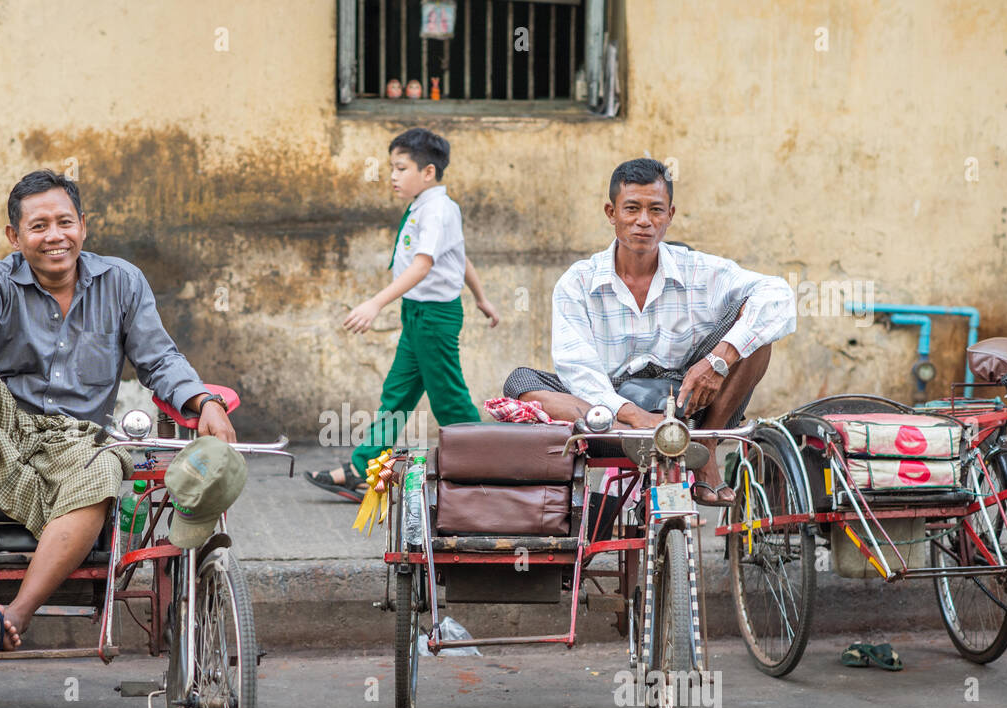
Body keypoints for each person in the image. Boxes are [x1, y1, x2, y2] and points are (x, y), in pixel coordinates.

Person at [0, 169, 235, 650]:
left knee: (108, 467)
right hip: (1, 434)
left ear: (83, 226)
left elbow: (160, 358)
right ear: (15, 236)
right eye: (38, 226)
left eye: (64, 222)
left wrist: (205, 401)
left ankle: (16, 614)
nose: (55, 236)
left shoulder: (122, 282)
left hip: (78, 443)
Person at [504, 158, 795, 505]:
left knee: (755, 333)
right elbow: (577, 368)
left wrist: (718, 361)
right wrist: (632, 415)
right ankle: (638, 436)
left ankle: (704, 449)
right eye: (632, 209)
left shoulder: (698, 269)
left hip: (690, 397)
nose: (644, 221)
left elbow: (779, 296)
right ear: (611, 213)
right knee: (520, 384)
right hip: (610, 409)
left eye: (655, 209)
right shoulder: (577, 282)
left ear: (670, 215)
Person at [306, 127, 499, 501]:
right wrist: (481, 297)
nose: (393, 176)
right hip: (418, 314)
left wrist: (376, 303)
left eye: (401, 168)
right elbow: (459, 256)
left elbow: (424, 264)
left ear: (427, 172)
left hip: (434, 317)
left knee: (449, 399)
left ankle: (489, 474)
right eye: (391, 168)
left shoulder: (438, 209)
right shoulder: (427, 206)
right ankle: (364, 469)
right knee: (395, 396)